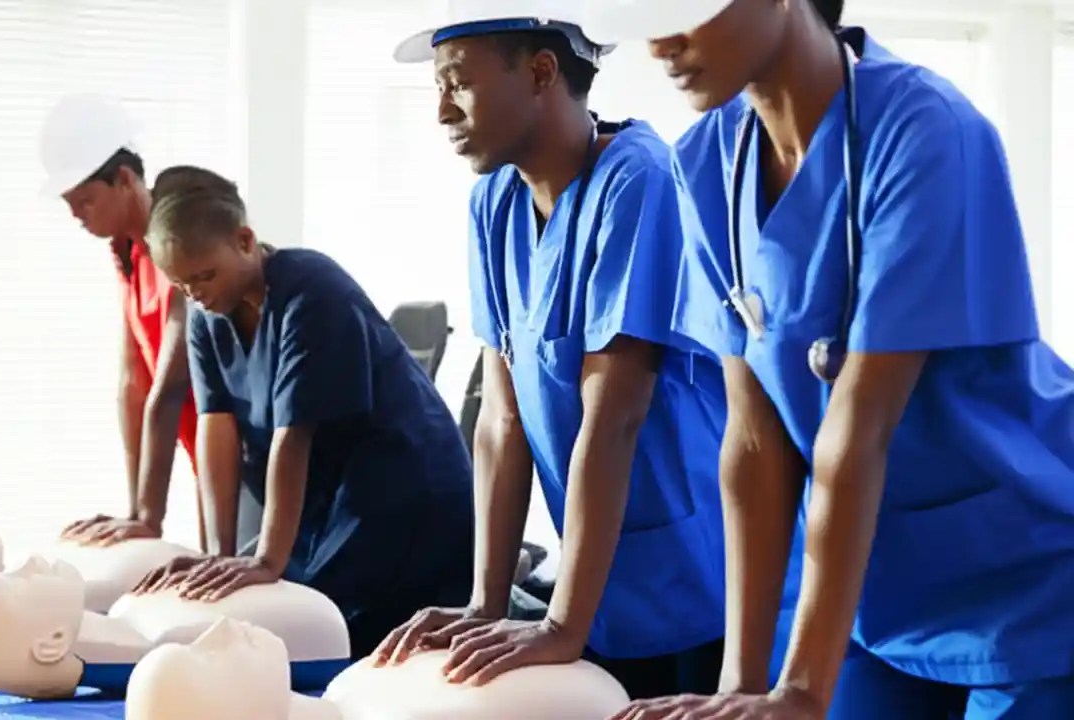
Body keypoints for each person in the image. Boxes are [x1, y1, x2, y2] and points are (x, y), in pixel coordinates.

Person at [581, 1, 1074, 718]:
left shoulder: (925, 129)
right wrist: (742, 689)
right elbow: (753, 438)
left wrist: (801, 692)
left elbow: (858, 422)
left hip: (1024, 579)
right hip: (869, 595)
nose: (660, 39)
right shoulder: (704, 163)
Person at [373, 1, 730, 701]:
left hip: (696, 580)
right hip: (598, 582)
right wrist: (488, 599)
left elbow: (615, 417)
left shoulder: (638, 181)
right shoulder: (494, 204)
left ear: (541, 71)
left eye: (458, 83)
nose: (443, 111)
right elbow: (502, 423)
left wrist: (564, 620)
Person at [129, 166, 475, 660]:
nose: (198, 294)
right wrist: (218, 555)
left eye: (206, 276)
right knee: (265, 612)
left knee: (325, 635)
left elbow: (294, 434)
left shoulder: (312, 290)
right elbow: (216, 428)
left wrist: (267, 559)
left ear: (245, 241)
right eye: (183, 286)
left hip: (404, 494)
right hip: (329, 503)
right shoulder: (207, 315)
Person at [37, 94, 201, 549]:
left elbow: (170, 386)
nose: (76, 215)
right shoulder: (127, 253)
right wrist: (136, 512)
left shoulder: (182, 245)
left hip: (242, 454)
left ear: (125, 180)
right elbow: (134, 384)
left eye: (86, 200)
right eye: (70, 203)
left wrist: (148, 517)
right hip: (200, 452)